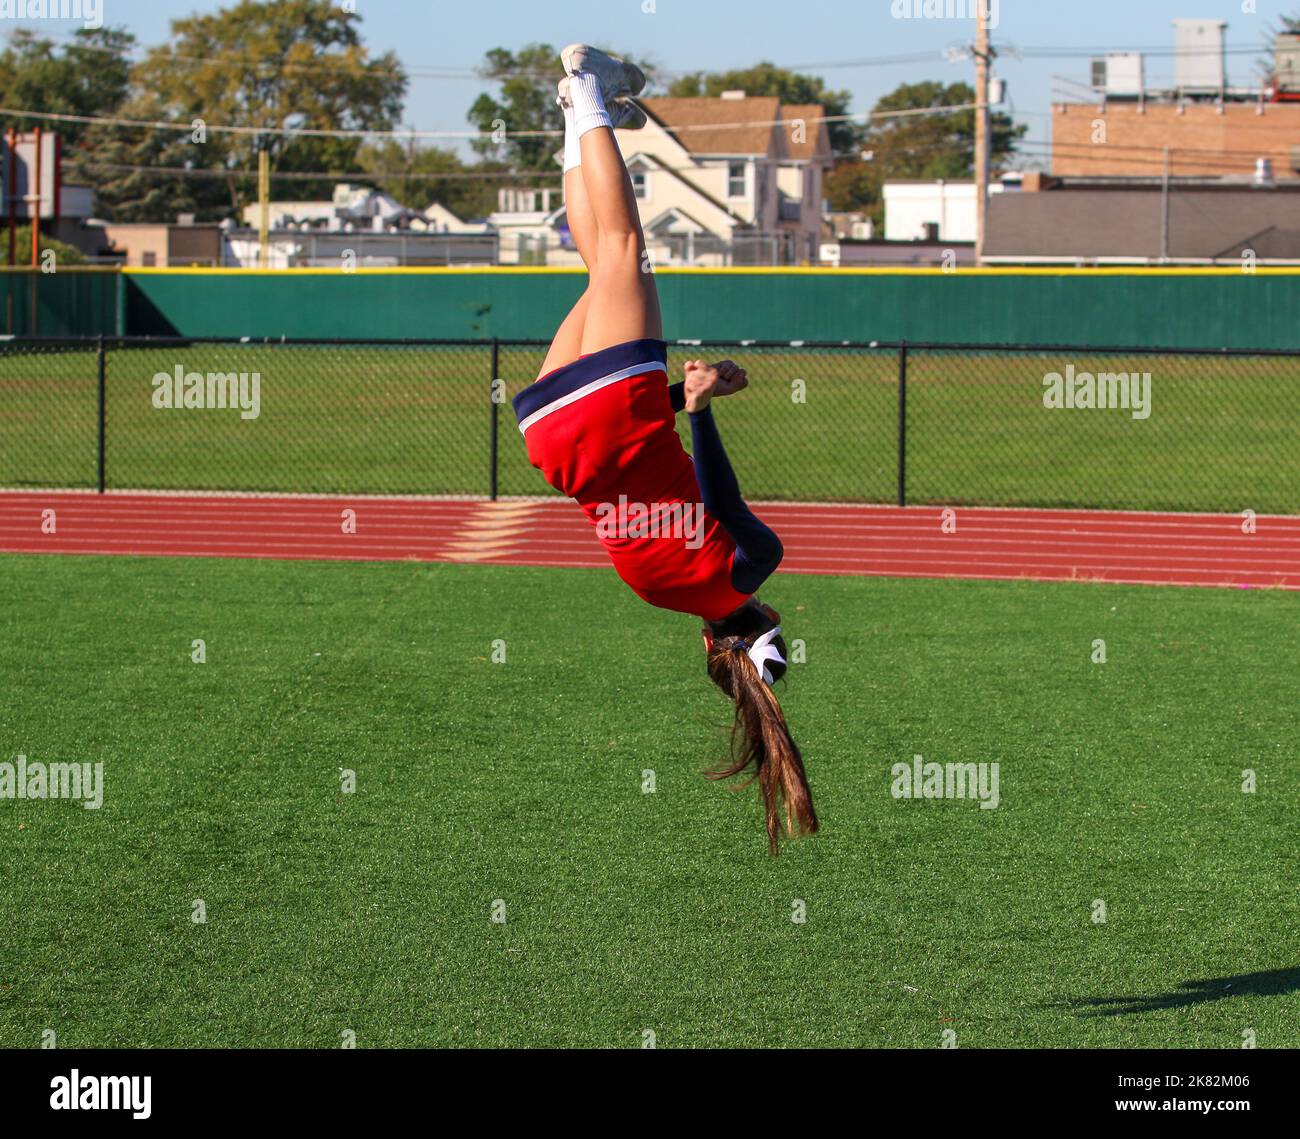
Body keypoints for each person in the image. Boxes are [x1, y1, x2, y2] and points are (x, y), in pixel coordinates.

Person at [511, 45, 817, 853]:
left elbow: (717, 496)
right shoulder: (662, 595)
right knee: (598, 267)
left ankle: (586, 93)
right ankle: (578, 116)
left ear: (763, 623)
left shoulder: (750, 563)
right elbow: (659, 497)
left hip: (617, 414)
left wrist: (704, 406)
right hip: (556, 444)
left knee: (622, 254)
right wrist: (685, 404)